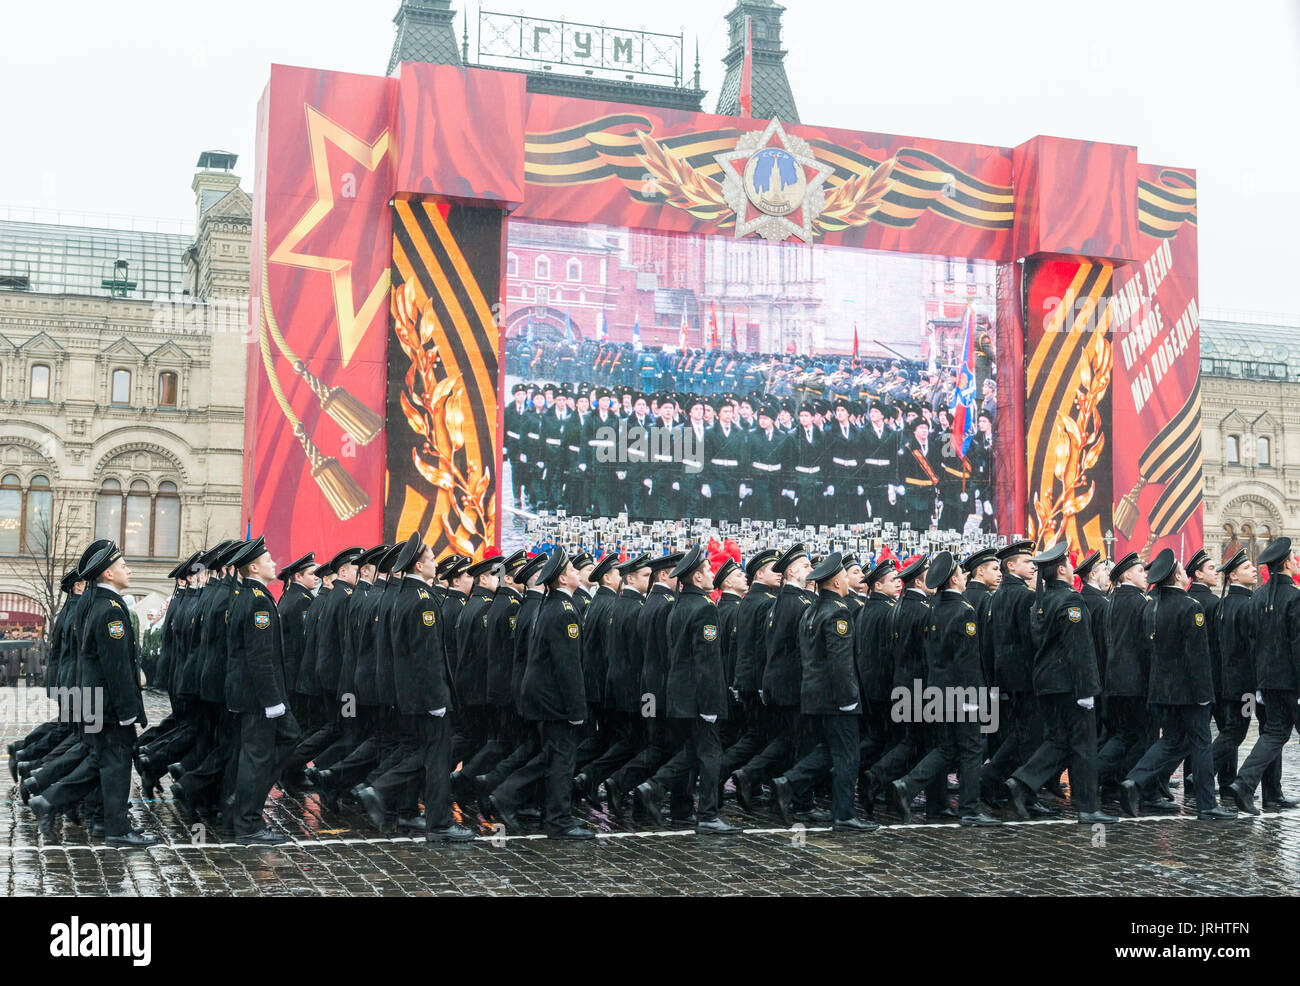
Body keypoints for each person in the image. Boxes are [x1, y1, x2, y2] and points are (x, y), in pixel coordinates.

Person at [32, 543, 156, 847]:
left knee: (101, 761)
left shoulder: (96, 603)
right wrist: (128, 710)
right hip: (107, 702)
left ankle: (59, 804)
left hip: (94, 699)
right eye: (123, 565)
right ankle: (114, 829)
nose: (129, 570)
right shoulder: (110, 609)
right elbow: (115, 667)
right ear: (108, 573)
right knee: (114, 763)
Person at [1118, 549, 1236, 821]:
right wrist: (1205, 694)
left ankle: (1134, 780)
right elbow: (1198, 657)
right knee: (1201, 743)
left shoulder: (1150, 605)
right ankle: (1207, 804)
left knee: (1171, 740)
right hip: (1190, 692)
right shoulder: (1190, 607)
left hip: (1161, 689)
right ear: (1178, 576)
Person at [1005, 541, 1116, 825]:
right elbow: (1079, 649)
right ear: (1063, 569)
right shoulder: (1071, 601)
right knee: (1083, 746)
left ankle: (1023, 781)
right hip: (1070, 685)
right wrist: (1087, 690)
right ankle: (1088, 807)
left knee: (1059, 740)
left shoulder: (1042, 601)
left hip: (1047, 683)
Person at [634, 544, 741, 835]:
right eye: (707, 570)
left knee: (692, 751)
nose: (711, 574)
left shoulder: (679, 605)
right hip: (698, 698)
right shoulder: (705, 608)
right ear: (695, 577)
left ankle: (653, 785)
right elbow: (706, 663)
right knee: (709, 754)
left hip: (678, 695)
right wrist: (709, 706)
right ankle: (707, 814)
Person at [887, 550, 998, 826]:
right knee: (971, 750)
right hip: (963, 694)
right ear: (953, 579)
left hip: (937, 691)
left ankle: (908, 784)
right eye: (961, 573)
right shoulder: (964, 611)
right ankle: (970, 809)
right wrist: (974, 700)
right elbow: (967, 661)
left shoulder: (934, 609)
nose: (964, 577)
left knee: (946, 748)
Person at [493, 546, 593, 839]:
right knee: (562, 759)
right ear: (562, 580)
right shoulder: (564, 611)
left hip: (541, 694)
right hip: (553, 698)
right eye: (572, 570)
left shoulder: (550, 605)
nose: (576, 573)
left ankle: (505, 794)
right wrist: (577, 710)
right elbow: (568, 667)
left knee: (551, 755)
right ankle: (559, 821)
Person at [772, 552, 877, 831]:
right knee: (847, 755)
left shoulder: (811, 609)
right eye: (844, 575)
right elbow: (840, 662)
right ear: (835, 581)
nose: (847, 579)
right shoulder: (838, 612)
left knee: (828, 750)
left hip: (814, 695)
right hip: (835, 698)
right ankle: (844, 815)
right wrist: (848, 700)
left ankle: (789, 782)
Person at [225, 536, 303, 845]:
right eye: (268, 560)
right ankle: (248, 823)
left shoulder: (251, 596)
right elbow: (259, 657)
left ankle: (242, 810)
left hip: (252, 695)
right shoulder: (257, 600)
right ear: (254, 567)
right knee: (257, 758)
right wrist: (272, 701)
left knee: (278, 744)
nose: (274, 563)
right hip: (258, 698)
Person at [1227, 537, 1300, 815]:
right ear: (1285, 564)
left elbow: (1253, 643)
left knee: (1274, 734)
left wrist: (1260, 682)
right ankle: (1247, 785)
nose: (1296, 562)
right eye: (1293, 558)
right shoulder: (1295, 597)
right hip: (1292, 683)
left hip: (1268, 680)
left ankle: (1256, 788)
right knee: (1275, 734)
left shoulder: (1256, 598)